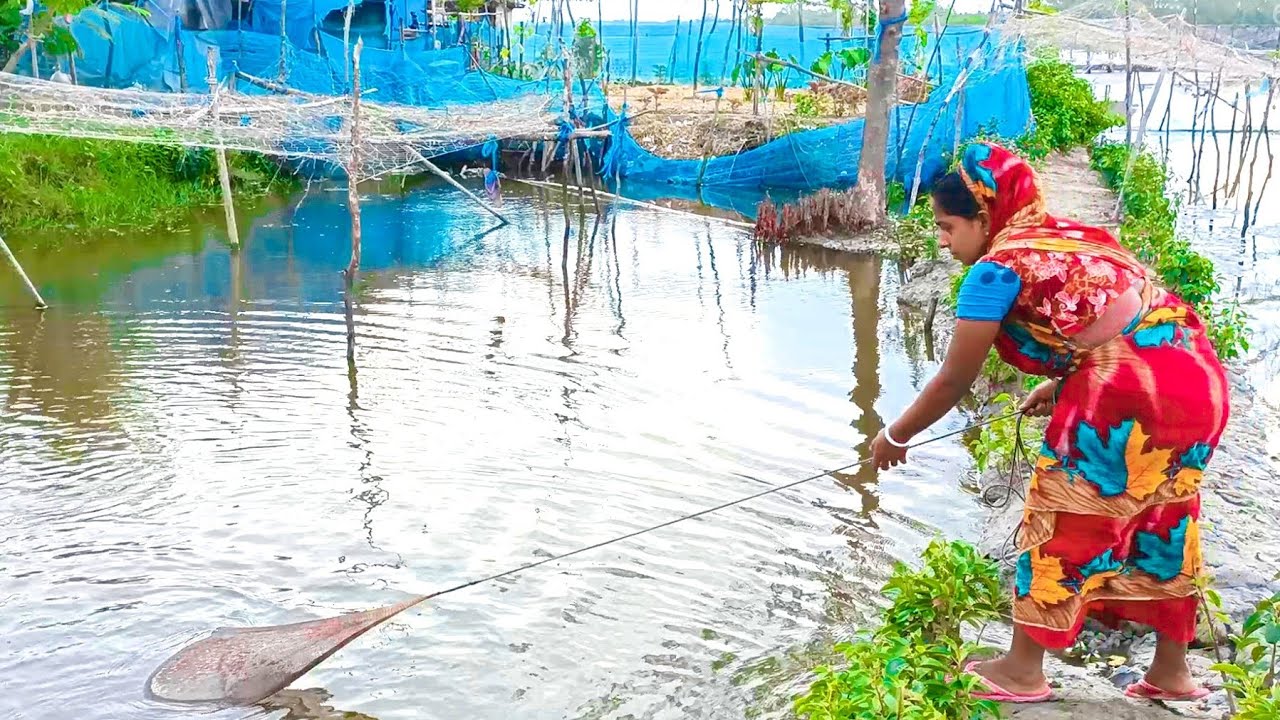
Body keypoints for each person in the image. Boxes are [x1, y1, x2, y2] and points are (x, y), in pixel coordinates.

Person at [870, 141, 1227, 704]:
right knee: (1166, 519)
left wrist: (896, 435)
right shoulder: (1070, 236)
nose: (941, 240)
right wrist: (1061, 382)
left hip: (1129, 392)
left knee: (1061, 519)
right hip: (1194, 374)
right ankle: (1171, 673)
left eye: (946, 226)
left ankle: (1022, 669)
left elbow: (953, 379)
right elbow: (1121, 316)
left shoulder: (995, 270)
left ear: (984, 215)